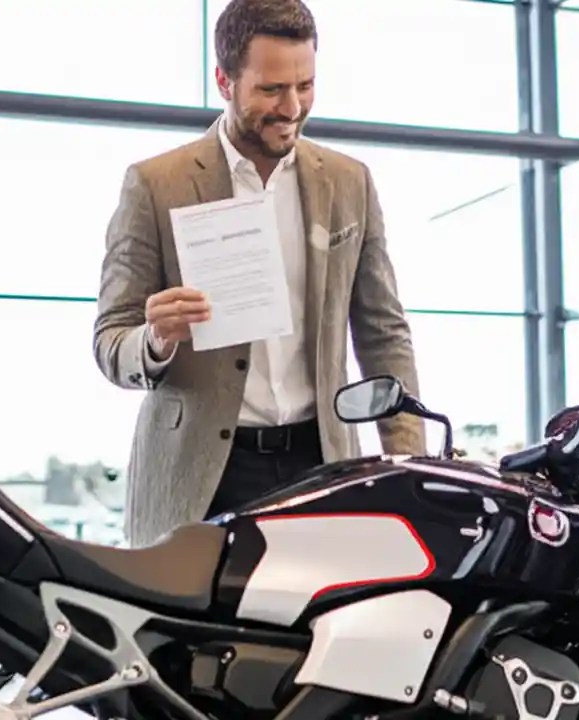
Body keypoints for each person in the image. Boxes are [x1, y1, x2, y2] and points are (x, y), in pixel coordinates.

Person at [93, 0, 425, 547]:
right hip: (202, 475)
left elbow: (383, 332)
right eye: (271, 90)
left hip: (321, 462)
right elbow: (111, 340)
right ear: (224, 80)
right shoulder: (156, 185)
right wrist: (153, 339)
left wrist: (408, 458)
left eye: (306, 86)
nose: (292, 107)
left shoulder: (349, 183)